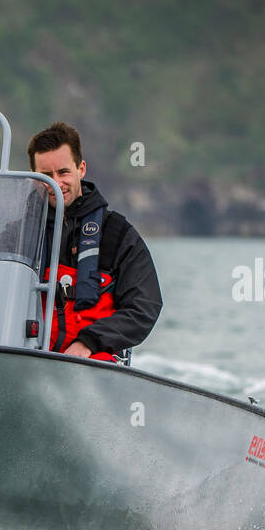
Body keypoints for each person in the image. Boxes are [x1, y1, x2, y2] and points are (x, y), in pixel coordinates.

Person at [24, 122, 163, 362]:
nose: (56, 183)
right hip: (27, 359)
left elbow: (144, 307)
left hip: (92, 365)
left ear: (81, 169)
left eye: (63, 172)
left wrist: (88, 342)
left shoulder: (118, 235)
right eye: (45, 175)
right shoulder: (18, 233)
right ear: (33, 177)